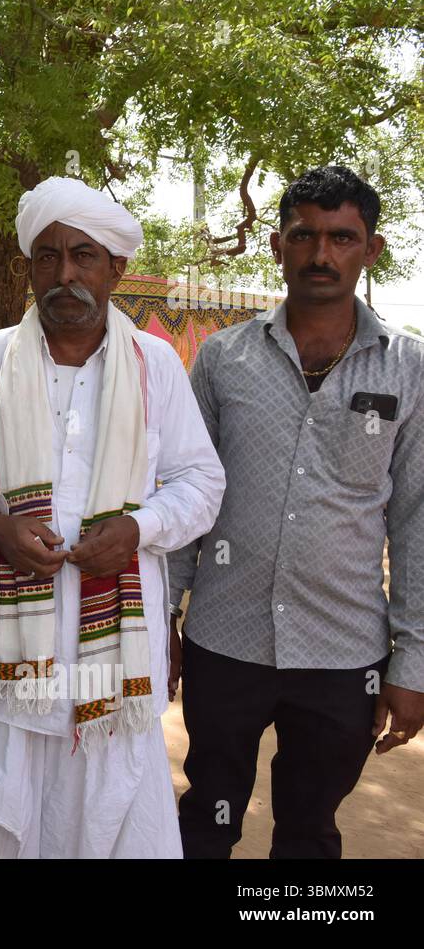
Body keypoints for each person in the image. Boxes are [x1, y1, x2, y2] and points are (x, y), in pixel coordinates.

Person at [0, 176, 225, 858]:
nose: (65, 274)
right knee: (0, 829)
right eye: (48, 256)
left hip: (114, 672)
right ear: (30, 267)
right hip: (2, 660)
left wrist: (140, 529)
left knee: (117, 821)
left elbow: (201, 481)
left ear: (116, 267)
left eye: (84, 255)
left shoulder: (154, 364)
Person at [172, 165, 424, 858]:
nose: (321, 254)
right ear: (277, 247)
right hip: (226, 641)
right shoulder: (224, 359)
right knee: (208, 815)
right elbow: (185, 494)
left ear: (370, 249)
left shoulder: (409, 370)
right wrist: (164, 615)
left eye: (342, 237)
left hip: (344, 653)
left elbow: (416, 520)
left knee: (310, 829)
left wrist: (414, 663)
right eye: (304, 236)